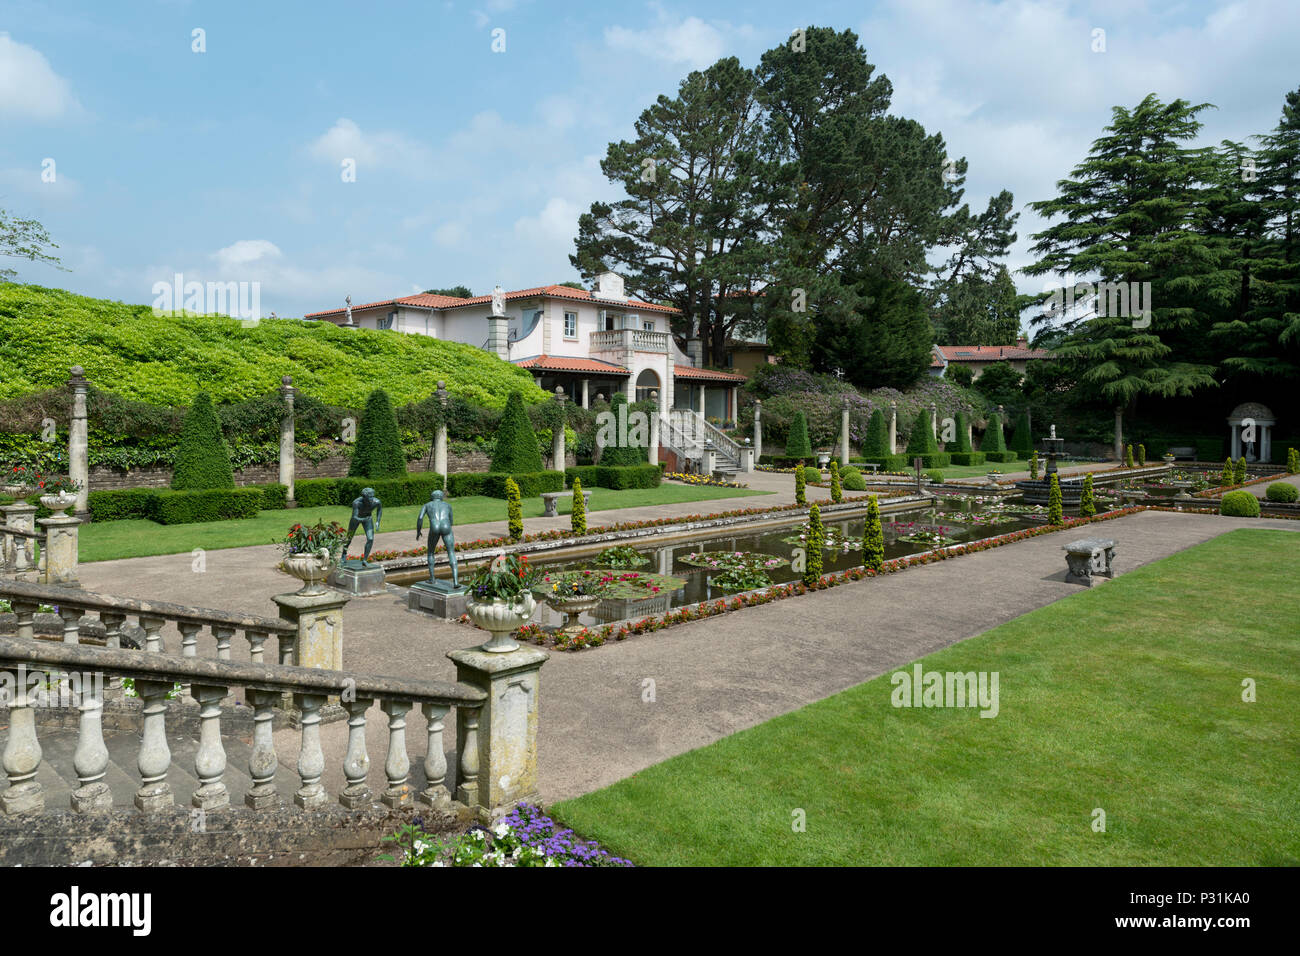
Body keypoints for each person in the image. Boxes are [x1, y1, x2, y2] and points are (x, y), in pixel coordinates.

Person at [416, 489, 458, 587]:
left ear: (432, 497)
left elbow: (420, 518)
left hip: (434, 526)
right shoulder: (447, 505)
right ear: (441, 497)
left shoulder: (427, 505)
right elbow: (451, 520)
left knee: (430, 553)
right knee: (451, 552)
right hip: (446, 526)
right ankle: (455, 581)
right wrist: (447, 528)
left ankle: (432, 578)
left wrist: (418, 531)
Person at [346, 487, 382, 566]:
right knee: (349, 538)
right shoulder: (357, 503)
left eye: (373, 496)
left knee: (370, 539)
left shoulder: (376, 502)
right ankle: (343, 554)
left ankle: (365, 560)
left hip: (367, 518)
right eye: (370, 497)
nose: (372, 498)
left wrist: (377, 522)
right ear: (364, 497)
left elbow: (379, 510)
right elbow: (355, 517)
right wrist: (363, 519)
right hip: (356, 519)